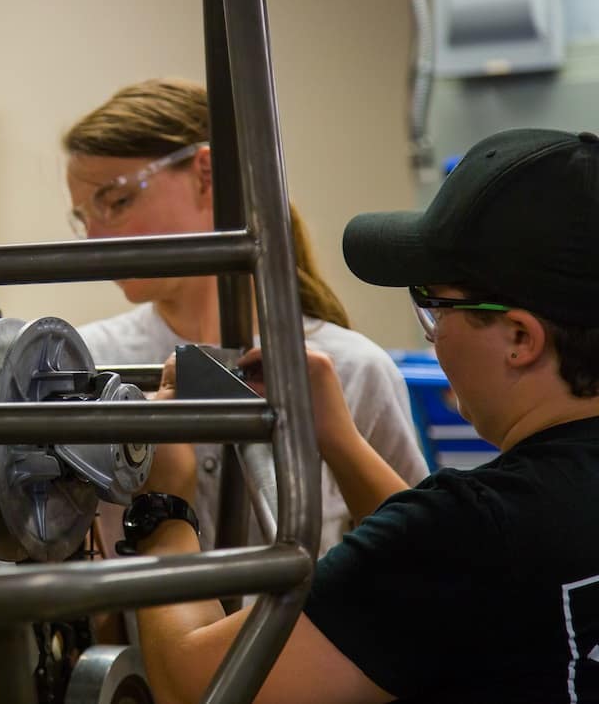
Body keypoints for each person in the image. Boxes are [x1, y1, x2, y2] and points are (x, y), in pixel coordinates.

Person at [133, 127, 599, 703]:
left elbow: (198, 684)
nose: (435, 339)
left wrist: (163, 506)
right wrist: (341, 440)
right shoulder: (481, 535)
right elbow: (441, 578)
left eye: (434, 308)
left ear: (520, 337)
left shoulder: (470, 530)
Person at [63, 78, 427, 556]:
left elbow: (420, 558)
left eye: (116, 201)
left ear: (207, 173)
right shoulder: (89, 362)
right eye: (83, 217)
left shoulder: (350, 370)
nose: (94, 241)